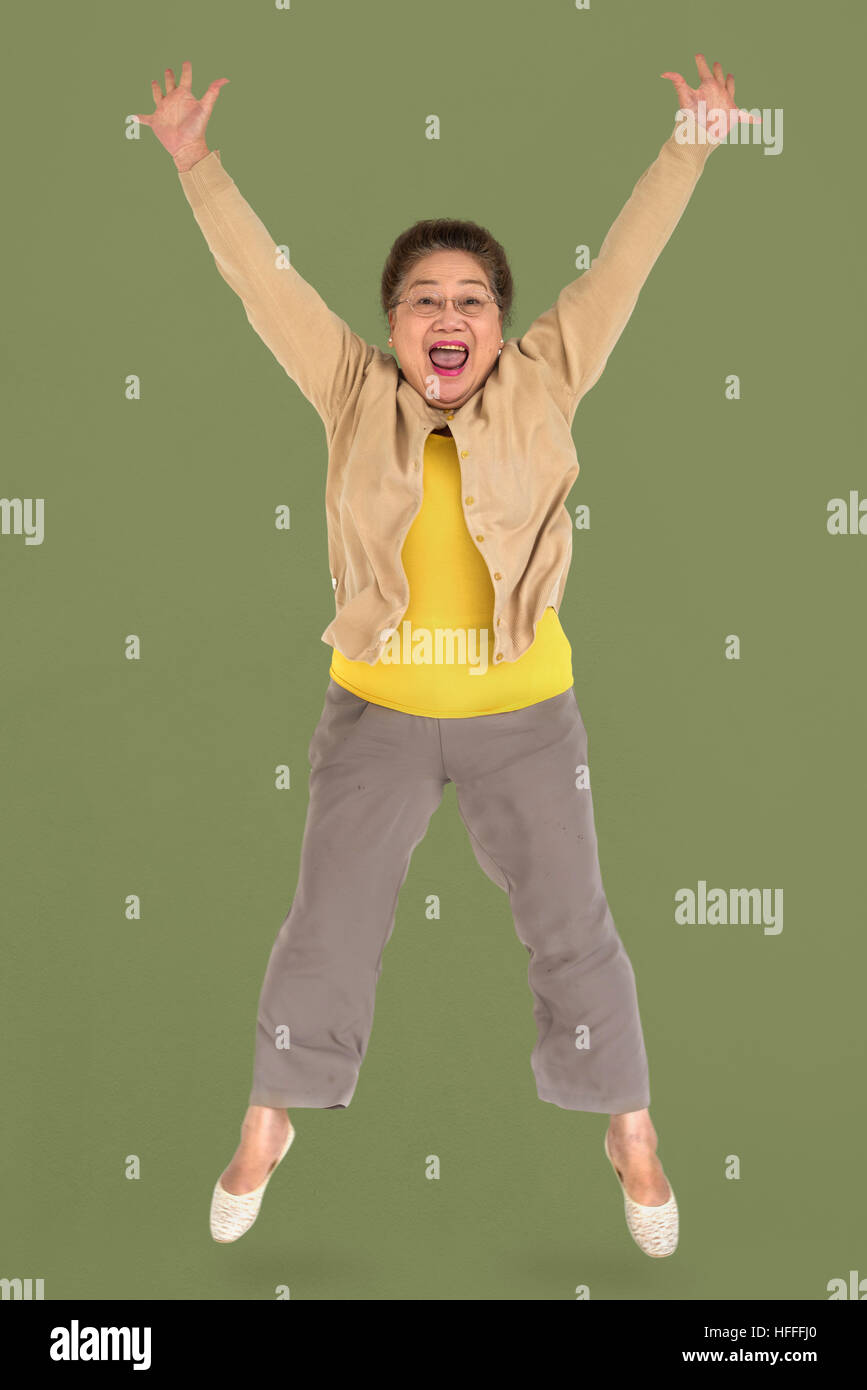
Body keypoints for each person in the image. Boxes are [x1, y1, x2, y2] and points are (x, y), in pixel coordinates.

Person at [137, 55, 756, 1258]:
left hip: (528, 717)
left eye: (472, 298)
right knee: (327, 924)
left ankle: (632, 1135)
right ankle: (269, 1122)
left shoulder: (546, 379)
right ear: (391, 325)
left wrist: (694, 142)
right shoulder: (351, 391)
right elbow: (263, 287)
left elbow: (623, 265)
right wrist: (193, 162)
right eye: (425, 298)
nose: (449, 317)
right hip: (372, 715)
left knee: (574, 926)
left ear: (504, 323)